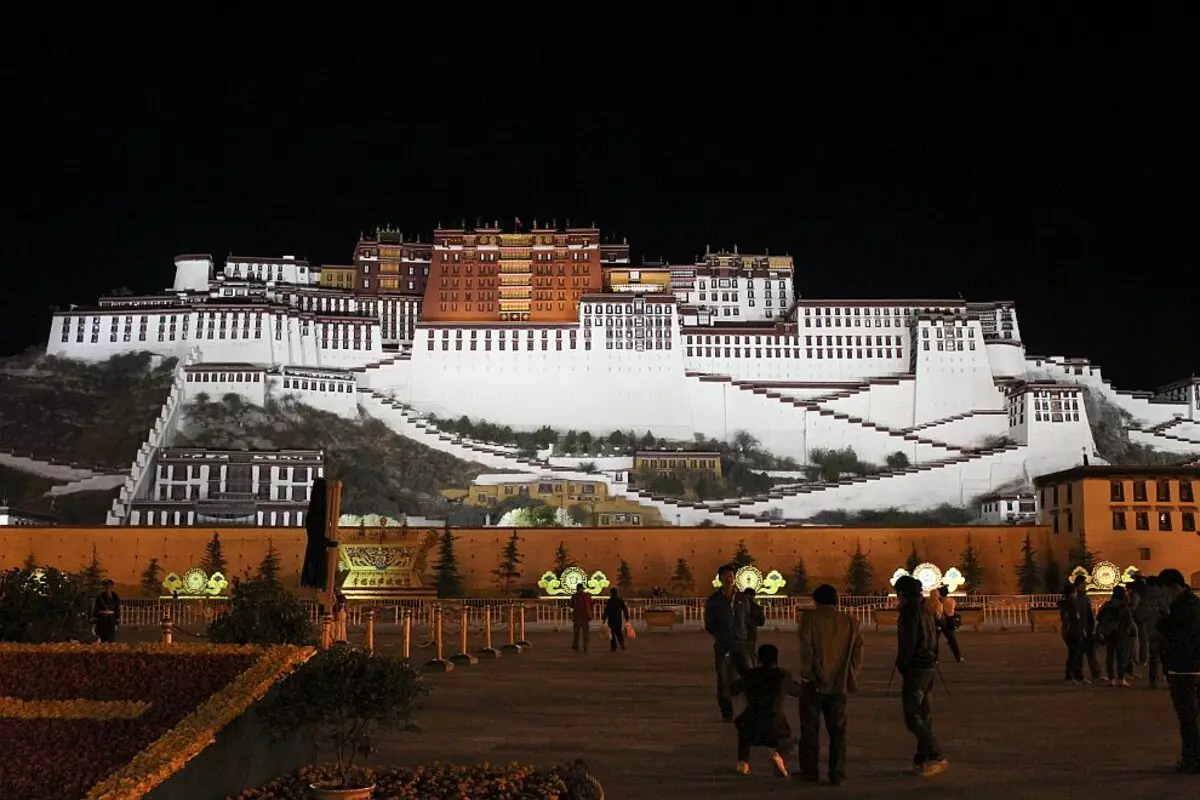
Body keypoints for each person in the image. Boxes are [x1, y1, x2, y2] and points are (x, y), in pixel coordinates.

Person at [796, 583, 863, 786]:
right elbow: (857, 657)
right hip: (838, 685)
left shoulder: (809, 619)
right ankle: (838, 773)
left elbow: (806, 651)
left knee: (810, 730)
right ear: (837, 600)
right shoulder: (852, 623)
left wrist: (810, 675)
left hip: (813, 684)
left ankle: (809, 771)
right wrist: (849, 676)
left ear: (816, 601)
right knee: (838, 732)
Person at [895, 575, 948, 778]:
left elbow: (908, 642)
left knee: (912, 716)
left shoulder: (910, 612)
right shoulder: (927, 609)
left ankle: (937, 755)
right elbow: (935, 636)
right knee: (924, 713)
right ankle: (923, 757)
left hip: (917, 668)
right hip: (928, 665)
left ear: (902, 593)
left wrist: (904, 663)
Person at [729, 643, 801, 777]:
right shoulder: (782, 676)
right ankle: (778, 753)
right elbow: (797, 691)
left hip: (752, 725)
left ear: (759, 659)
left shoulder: (750, 675)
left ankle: (743, 762)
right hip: (775, 725)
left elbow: (733, 689)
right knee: (787, 737)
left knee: (743, 730)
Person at [1156, 568, 1200, 772]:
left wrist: (1163, 621)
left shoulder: (1182, 608)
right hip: (1192, 667)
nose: (1163, 595)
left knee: (1188, 718)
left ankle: (1193, 758)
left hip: (1184, 669)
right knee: (1192, 716)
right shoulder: (1194, 604)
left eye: (1164, 590)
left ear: (1173, 587)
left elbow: (1175, 636)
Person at [705, 563, 752, 721]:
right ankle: (727, 713)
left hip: (740, 644)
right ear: (720, 579)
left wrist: (742, 634)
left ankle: (752, 709)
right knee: (723, 680)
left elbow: (747, 618)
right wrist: (721, 635)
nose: (729, 579)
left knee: (749, 677)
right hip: (723, 646)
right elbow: (709, 624)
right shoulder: (713, 600)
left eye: (731, 576)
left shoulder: (742, 599)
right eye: (726, 576)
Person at [1096, 585, 1137, 687]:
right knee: (1121, 657)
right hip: (1120, 634)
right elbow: (1129, 621)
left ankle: (1111, 679)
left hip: (1109, 634)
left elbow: (1099, 617)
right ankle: (1121, 678)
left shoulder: (1108, 604)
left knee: (1109, 656)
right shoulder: (1123, 606)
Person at [1071, 575, 1103, 682]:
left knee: (1091, 652)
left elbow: (1089, 613)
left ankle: (1096, 673)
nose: (1084, 586)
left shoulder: (1085, 598)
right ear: (1078, 585)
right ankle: (1077, 675)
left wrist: (1092, 626)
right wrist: (1082, 628)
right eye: (1083, 584)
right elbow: (1078, 615)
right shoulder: (1076, 599)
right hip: (1081, 629)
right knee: (1079, 653)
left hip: (1088, 628)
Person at [1141, 575, 1170, 688]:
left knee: (1153, 656)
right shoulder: (1162, 595)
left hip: (1151, 629)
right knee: (1166, 656)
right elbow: (1167, 611)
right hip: (1164, 630)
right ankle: (1168, 678)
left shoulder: (1145, 596)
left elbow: (1140, 615)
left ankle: (1153, 681)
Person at [1060, 583, 1091, 683]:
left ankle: (1078, 675)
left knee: (1077, 654)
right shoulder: (1071, 604)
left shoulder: (1068, 603)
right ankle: (1071, 676)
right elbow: (1072, 619)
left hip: (1074, 631)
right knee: (1074, 654)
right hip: (1073, 632)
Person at [936, 586, 964, 663]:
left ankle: (935, 658)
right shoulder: (952, 600)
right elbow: (952, 610)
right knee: (952, 640)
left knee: (935, 641)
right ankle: (958, 657)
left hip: (940, 621)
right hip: (950, 622)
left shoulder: (938, 601)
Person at [743, 587, 766, 666]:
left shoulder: (737, 605)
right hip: (751, 634)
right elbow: (761, 622)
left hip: (739, 634)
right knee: (752, 655)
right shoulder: (758, 607)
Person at [604, 587, 630, 652]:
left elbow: (607, 610)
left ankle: (613, 647)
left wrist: (604, 618)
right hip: (618, 619)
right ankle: (622, 644)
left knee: (612, 633)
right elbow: (625, 609)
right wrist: (627, 618)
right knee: (619, 632)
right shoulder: (620, 600)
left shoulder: (610, 600)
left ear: (611, 593)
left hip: (611, 619)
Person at [570, 583, 594, 653]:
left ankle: (575, 646)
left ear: (577, 589)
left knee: (576, 633)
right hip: (585, 617)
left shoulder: (574, 596)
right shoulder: (587, 595)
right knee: (586, 633)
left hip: (577, 617)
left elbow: (571, 605)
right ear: (582, 588)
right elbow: (592, 604)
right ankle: (586, 647)